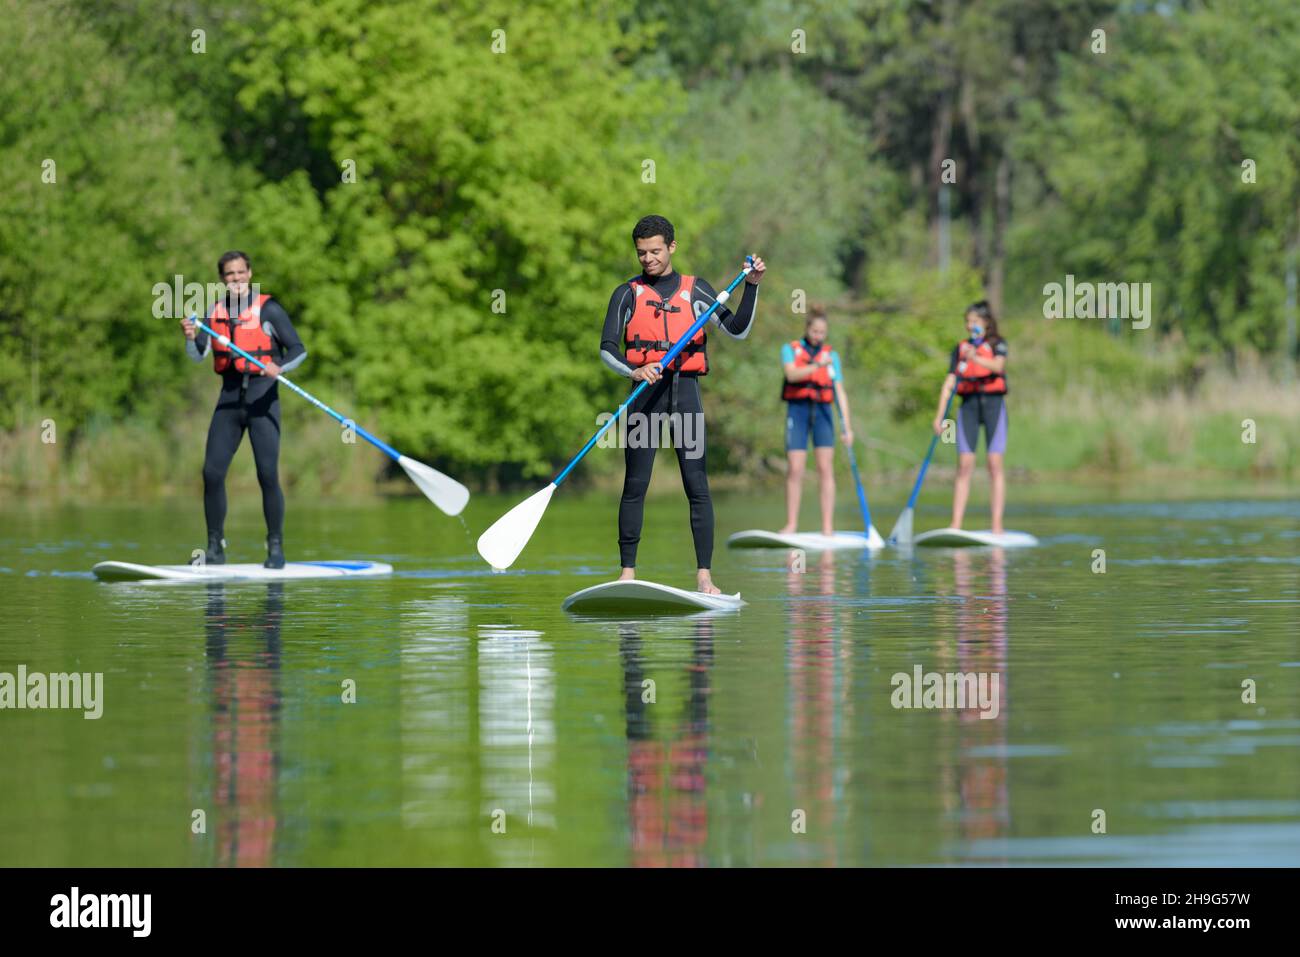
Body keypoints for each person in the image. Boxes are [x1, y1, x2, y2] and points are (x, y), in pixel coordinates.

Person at [599, 214, 765, 595]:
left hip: (684, 396)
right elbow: (606, 349)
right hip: (645, 399)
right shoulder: (626, 293)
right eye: (642, 253)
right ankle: (627, 574)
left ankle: (704, 577)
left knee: (697, 486)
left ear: (671, 247)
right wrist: (634, 372)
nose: (648, 259)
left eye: (655, 251)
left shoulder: (697, 291)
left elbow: (737, 330)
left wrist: (752, 287)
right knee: (635, 485)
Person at [180, 251, 307, 567]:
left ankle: (275, 547)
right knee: (211, 473)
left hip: (264, 402)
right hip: (229, 401)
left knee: (267, 474)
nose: (235, 279)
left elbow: (298, 349)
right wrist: (191, 337)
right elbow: (198, 355)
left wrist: (278, 366)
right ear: (222, 278)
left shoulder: (269, 309)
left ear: (249, 274)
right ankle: (214, 547)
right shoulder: (214, 311)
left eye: (239, 273)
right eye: (228, 274)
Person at [931, 300, 1009, 533]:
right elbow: (950, 382)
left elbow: (998, 367)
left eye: (974, 321)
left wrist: (975, 358)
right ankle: (955, 524)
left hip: (994, 405)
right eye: (967, 321)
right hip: (969, 406)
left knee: (994, 464)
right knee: (964, 465)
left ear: (985, 322)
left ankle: (996, 525)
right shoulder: (960, 349)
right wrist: (940, 417)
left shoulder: (998, 344)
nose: (969, 326)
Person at [778, 310, 853, 536]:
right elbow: (791, 376)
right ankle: (791, 524)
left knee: (825, 469)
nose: (818, 336)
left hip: (823, 412)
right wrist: (818, 366)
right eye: (814, 331)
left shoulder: (832, 357)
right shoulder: (790, 349)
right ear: (807, 329)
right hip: (798, 410)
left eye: (822, 332)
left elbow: (839, 392)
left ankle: (828, 527)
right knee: (795, 468)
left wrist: (847, 427)